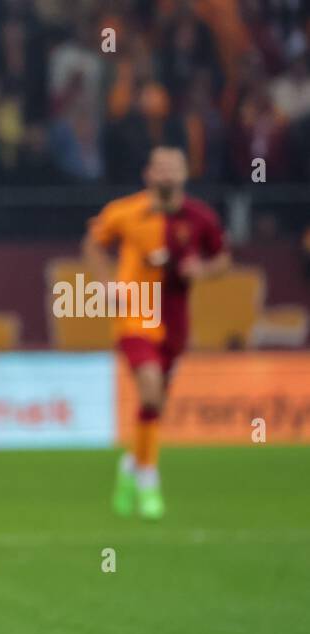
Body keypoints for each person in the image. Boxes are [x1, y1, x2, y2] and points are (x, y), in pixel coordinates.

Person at [82, 146, 230, 520]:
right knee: (149, 389)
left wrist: (204, 270)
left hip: (176, 320)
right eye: (159, 168)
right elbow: (93, 243)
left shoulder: (200, 218)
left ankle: (131, 465)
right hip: (136, 314)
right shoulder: (125, 212)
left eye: (172, 168)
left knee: (155, 404)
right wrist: (107, 284)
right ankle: (149, 479)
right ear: (148, 175)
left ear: (184, 174)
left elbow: (223, 258)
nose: (165, 175)